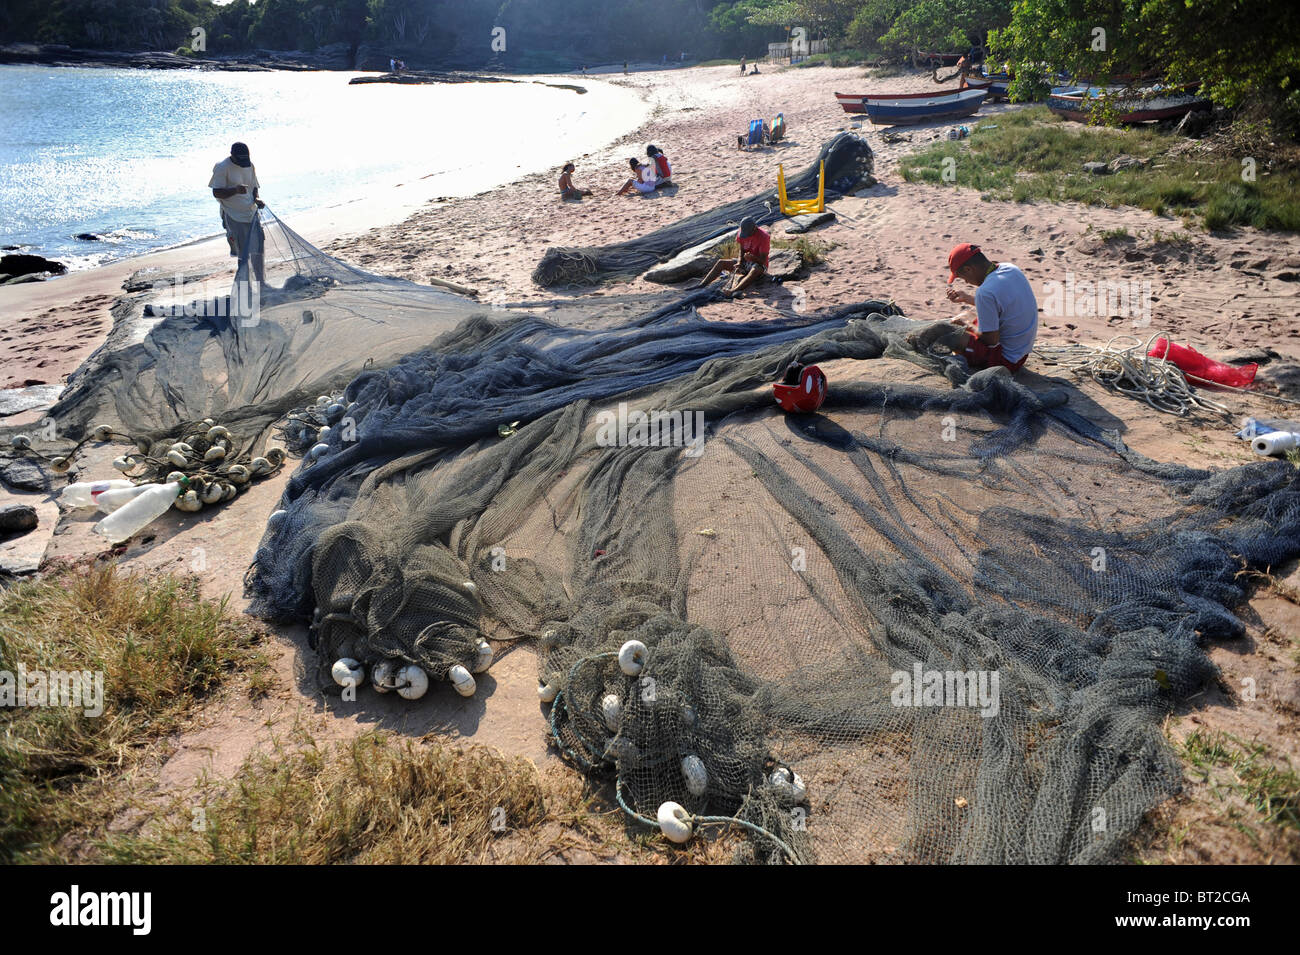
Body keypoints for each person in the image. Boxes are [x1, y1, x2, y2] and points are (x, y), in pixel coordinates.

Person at [942, 243, 1038, 372]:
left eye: (962, 277)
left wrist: (966, 325)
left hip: (1005, 360)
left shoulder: (985, 291)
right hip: (1021, 354)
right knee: (965, 314)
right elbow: (1001, 304)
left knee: (949, 333)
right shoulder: (1010, 269)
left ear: (968, 269)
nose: (966, 282)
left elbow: (991, 340)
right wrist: (967, 298)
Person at [208, 141, 264, 284]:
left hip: (251, 213)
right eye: (241, 160)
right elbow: (217, 193)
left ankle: (260, 282)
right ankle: (245, 285)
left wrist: (256, 200)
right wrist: (235, 190)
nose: (243, 163)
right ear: (232, 155)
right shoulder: (222, 167)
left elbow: (254, 187)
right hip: (234, 216)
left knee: (258, 248)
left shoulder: (249, 165)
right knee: (243, 252)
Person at [693, 217, 769, 298]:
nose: (746, 236)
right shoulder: (741, 232)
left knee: (756, 269)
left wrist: (752, 258)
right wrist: (740, 262)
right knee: (721, 262)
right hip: (746, 262)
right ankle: (702, 284)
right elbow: (742, 249)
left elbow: (763, 261)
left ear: (754, 228)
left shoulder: (764, 237)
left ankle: (734, 290)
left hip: (759, 265)